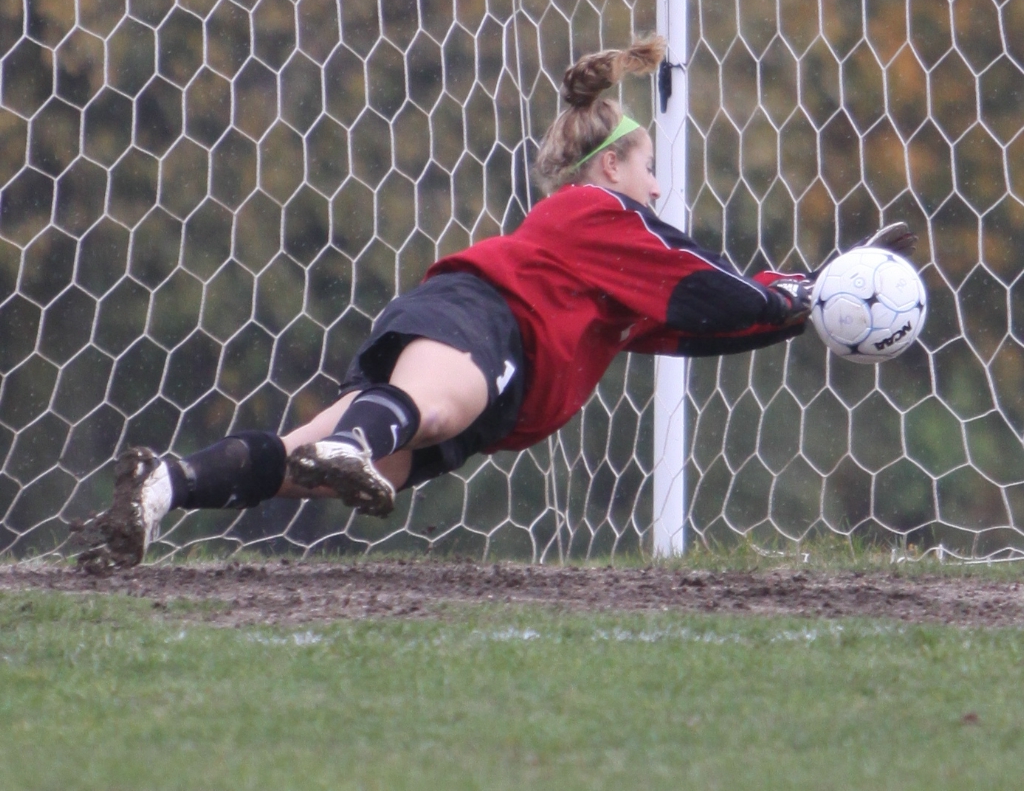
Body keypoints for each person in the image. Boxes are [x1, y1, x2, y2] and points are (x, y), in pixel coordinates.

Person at [74, 35, 916, 571]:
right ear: (613, 169)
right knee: (432, 407)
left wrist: (799, 304)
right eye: (651, 169)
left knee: (299, 458)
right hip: (483, 320)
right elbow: (704, 281)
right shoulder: (596, 214)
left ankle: (165, 487)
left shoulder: (611, 296)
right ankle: (360, 442)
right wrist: (807, 290)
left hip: (492, 381)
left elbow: (704, 323)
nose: (661, 188)